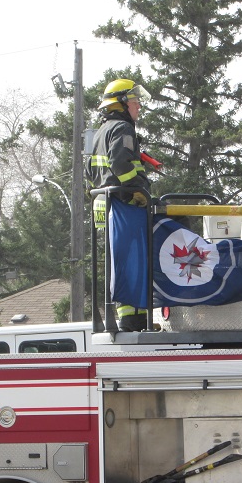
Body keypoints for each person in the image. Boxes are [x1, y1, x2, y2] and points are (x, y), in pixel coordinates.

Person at [87, 78, 153, 332]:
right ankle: (133, 319)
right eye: (135, 102)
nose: (138, 108)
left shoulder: (100, 132)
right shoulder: (123, 129)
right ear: (122, 103)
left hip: (105, 205)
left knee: (117, 262)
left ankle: (127, 316)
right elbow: (121, 164)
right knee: (133, 260)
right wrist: (138, 191)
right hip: (125, 204)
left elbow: (90, 170)